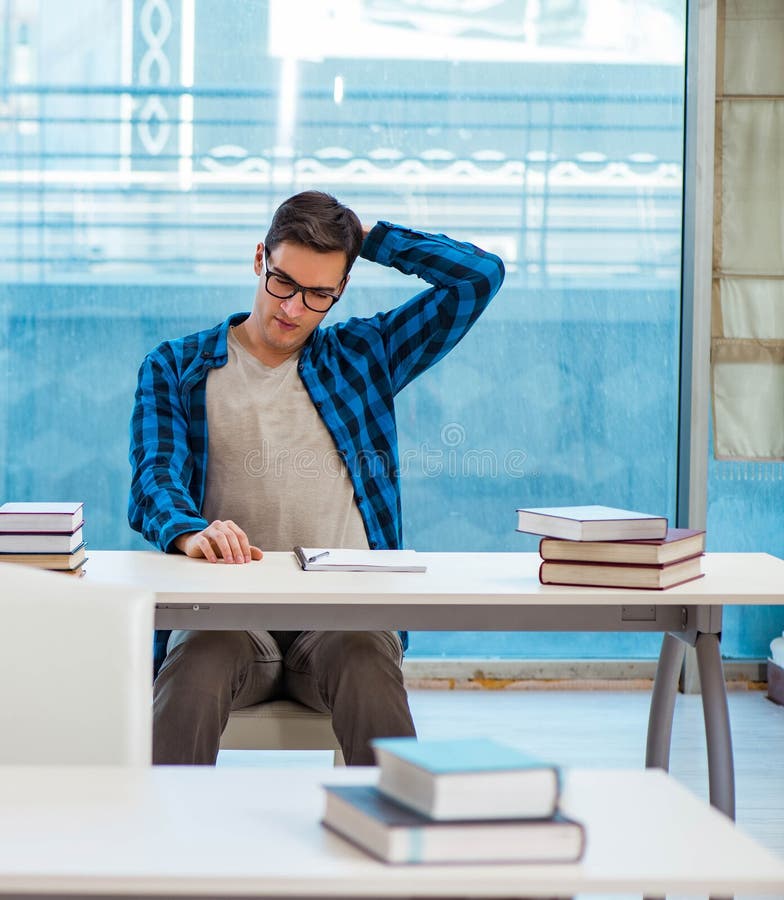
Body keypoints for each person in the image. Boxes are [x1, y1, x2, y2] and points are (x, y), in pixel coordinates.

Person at [128, 190, 505, 765]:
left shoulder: (363, 356)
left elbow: (478, 277)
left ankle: (397, 836)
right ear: (260, 259)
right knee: (193, 671)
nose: (293, 309)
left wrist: (369, 235)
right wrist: (188, 531)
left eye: (318, 293)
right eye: (282, 282)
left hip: (341, 615)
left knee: (369, 665)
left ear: (341, 289)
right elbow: (154, 478)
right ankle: (159, 843)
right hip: (228, 615)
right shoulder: (177, 366)